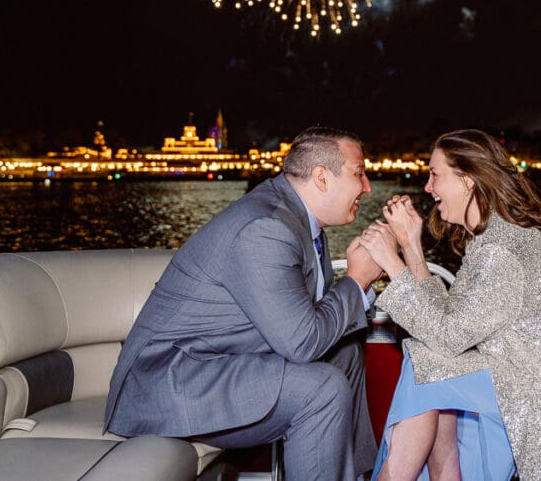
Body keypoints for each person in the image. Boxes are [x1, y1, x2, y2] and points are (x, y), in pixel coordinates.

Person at [356, 129, 541, 481]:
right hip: (534, 374)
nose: (428, 188)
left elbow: (445, 337)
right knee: (429, 363)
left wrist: (392, 260)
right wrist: (411, 247)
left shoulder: (501, 250)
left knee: (426, 364)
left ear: (467, 181)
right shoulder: (495, 237)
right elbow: (448, 324)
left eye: (435, 175)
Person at [104, 126, 383, 481]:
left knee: (345, 353)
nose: (368, 186)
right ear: (322, 178)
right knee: (321, 389)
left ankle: (358, 475)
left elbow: (314, 322)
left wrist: (357, 285)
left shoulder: (299, 222)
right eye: (359, 173)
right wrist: (356, 280)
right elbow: (302, 342)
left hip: (217, 362)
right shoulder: (266, 228)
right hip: (170, 382)